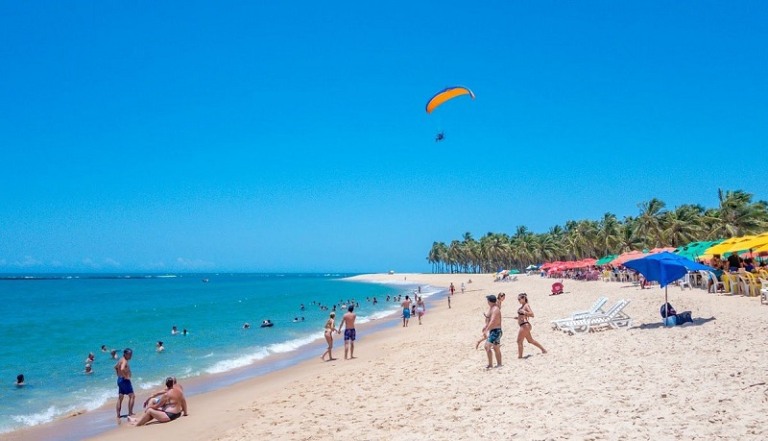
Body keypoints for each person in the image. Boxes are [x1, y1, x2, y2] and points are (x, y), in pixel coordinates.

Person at [516, 293, 547, 359]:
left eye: (519, 299)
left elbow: (532, 314)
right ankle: (543, 350)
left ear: (524, 298)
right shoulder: (522, 306)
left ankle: (520, 357)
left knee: (519, 341)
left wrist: (524, 312)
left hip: (525, 325)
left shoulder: (526, 305)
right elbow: (523, 315)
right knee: (530, 340)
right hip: (524, 325)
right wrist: (518, 317)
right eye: (518, 299)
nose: (518, 300)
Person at [114, 348, 135, 424]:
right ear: (126, 354)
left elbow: (116, 367)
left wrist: (118, 375)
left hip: (119, 380)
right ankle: (130, 413)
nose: (131, 356)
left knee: (120, 397)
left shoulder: (120, 360)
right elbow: (122, 368)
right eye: (130, 354)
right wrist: (126, 376)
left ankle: (118, 415)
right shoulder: (124, 361)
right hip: (124, 380)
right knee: (132, 396)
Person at [482, 295, 502, 368]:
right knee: (496, 347)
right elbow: (490, 320)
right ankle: (499, 364)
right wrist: (486, 326)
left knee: (487, 346)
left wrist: (486, 330)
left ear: (489, 301)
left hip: (496, 331)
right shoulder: (493, 308)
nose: (487, 301)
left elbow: (493, 321)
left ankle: (491, 364)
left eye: (487, 300)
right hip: (495, 331)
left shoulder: (495, 309)